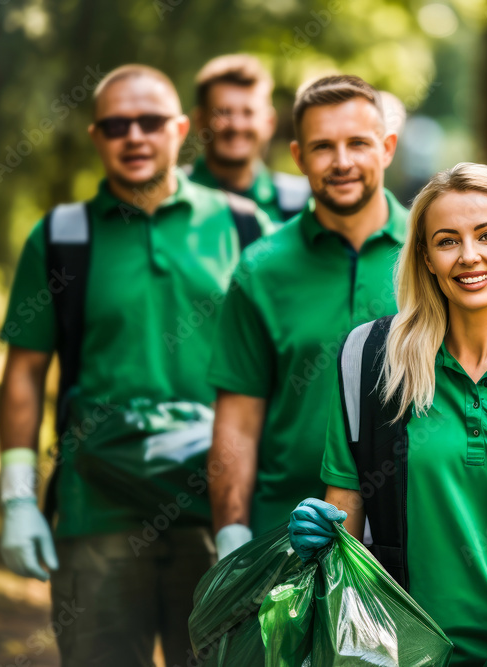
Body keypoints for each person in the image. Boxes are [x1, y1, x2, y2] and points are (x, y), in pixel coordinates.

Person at [0, 64, 275, 667]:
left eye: (150, 122)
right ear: (97, 136)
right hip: (96, 512)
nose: (135, 137)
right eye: (117, 124)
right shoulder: (63, 236)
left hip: (220, 514)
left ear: (181, 129)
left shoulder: (246, 227)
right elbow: (24, 373)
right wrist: (17, 500)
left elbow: (289, 362)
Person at [288, 162, 487, 665]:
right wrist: (318, 546)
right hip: (401, 653)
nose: (469, 257)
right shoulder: (372, 361)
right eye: (447, 241)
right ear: (425, 255)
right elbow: (346, 518)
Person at [207, 75, 408, 560]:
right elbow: (238, 420)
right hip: (285, 541)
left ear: (386, 148)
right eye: (323, 147)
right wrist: (232, 533)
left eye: (358, 143)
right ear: (298, 158)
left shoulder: (437, 254)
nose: (342, 162)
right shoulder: (262, 268)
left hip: (413, 544)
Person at [186, 54, 311, 221]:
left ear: (269, 122)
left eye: (248, 113)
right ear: (199, 121)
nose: (237, 126)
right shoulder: (171, 198)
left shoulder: (302, 204)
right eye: (224, 112)